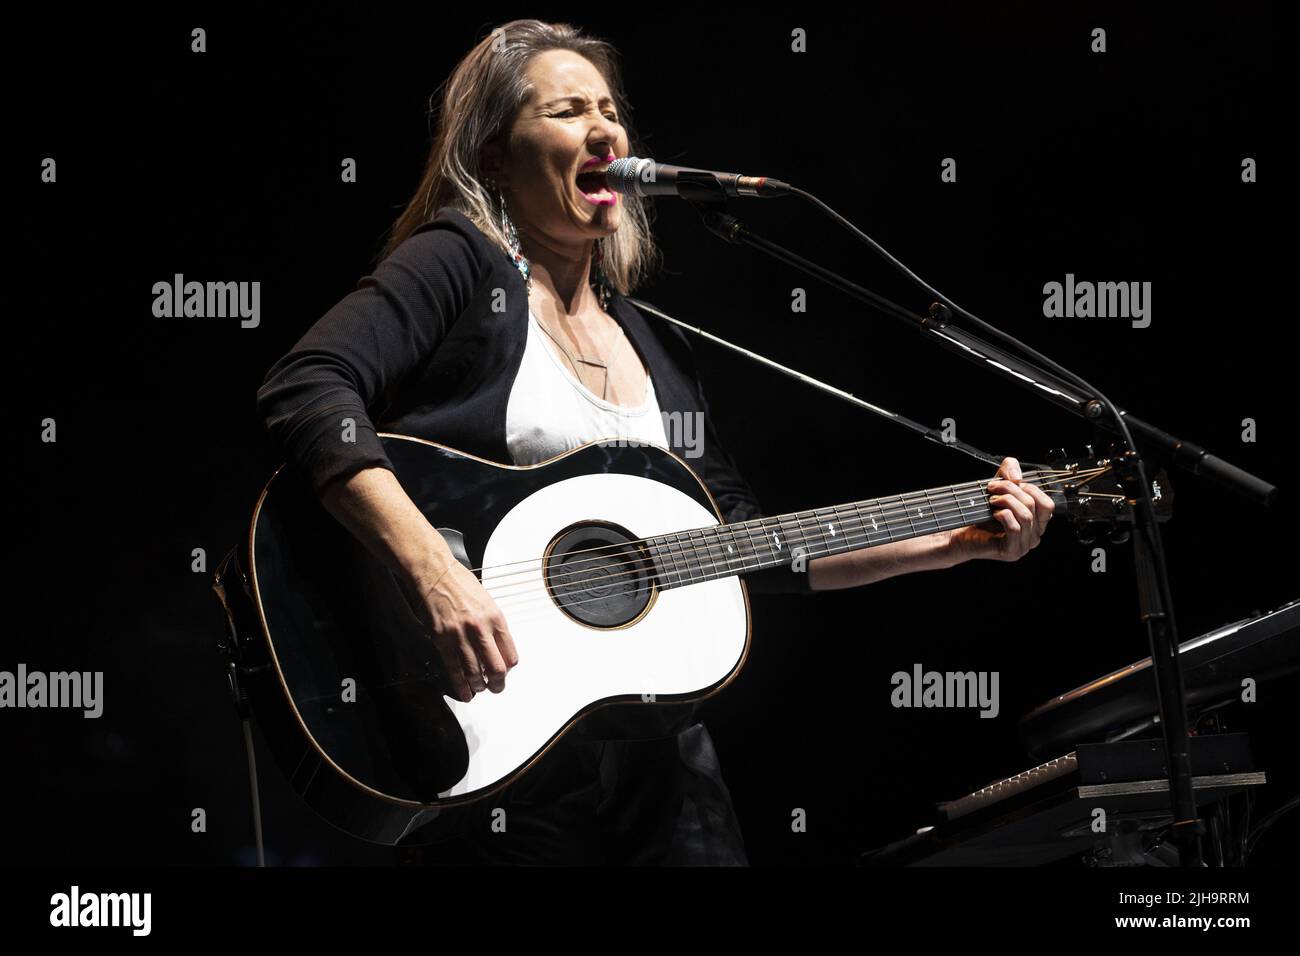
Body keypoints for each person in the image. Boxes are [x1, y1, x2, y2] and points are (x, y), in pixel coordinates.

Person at [256, 19, 1055, 866]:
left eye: (609, 108)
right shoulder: (460, 264)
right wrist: (435, 572)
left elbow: (749, 546)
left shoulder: (654, 345)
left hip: (657, 762)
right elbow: (307, 386)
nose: (605, 129)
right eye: (567, 111)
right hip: (489, 736)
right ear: (493, 157)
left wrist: (955, 542)